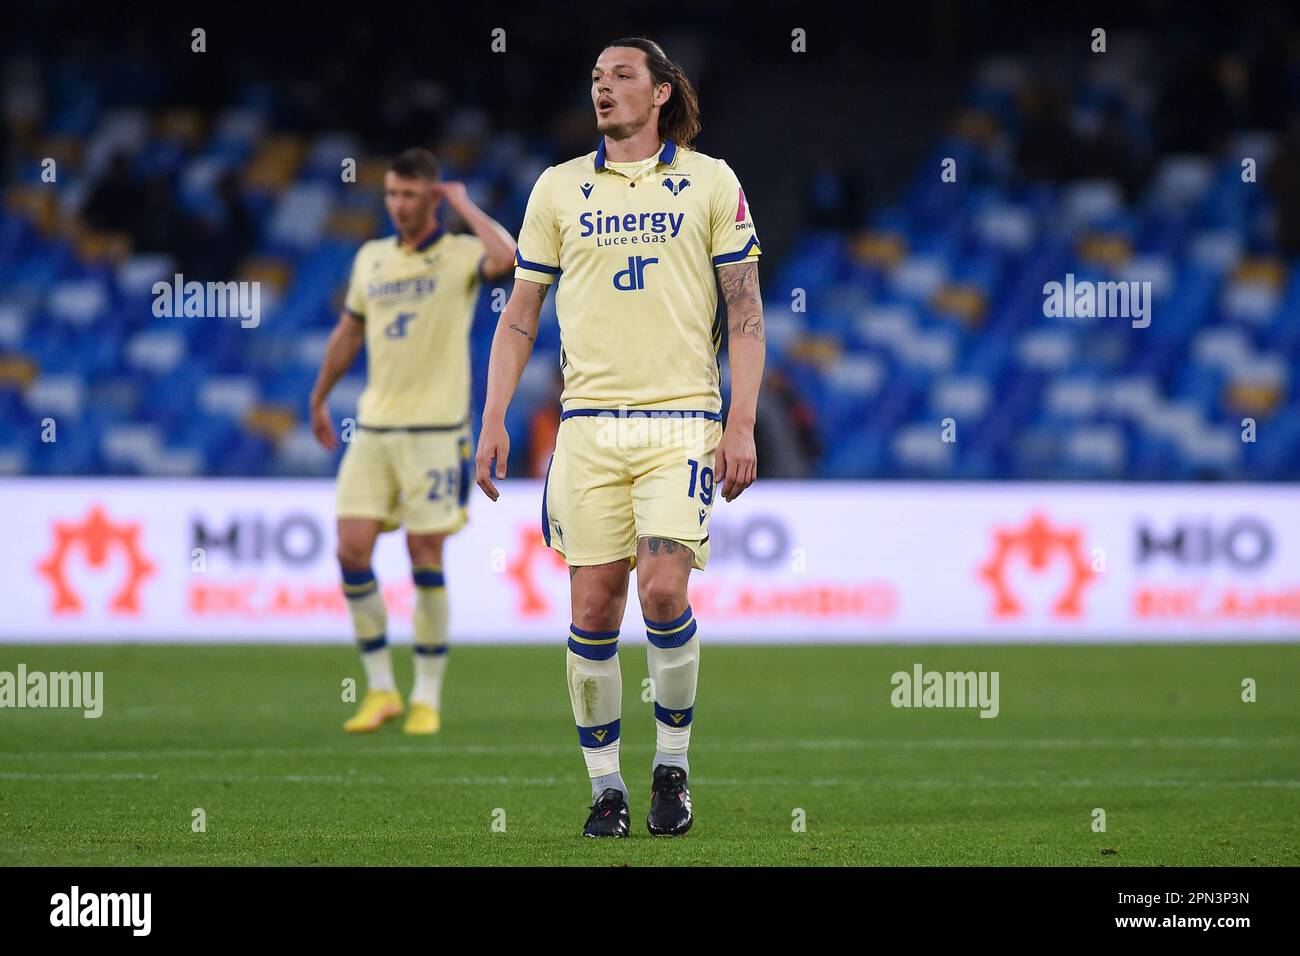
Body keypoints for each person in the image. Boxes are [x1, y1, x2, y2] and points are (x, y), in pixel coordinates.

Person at [474, 38, 766, 837]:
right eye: (597, 79)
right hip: (589, 427)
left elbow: (744, 309)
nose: (604, 89)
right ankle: (607, 788)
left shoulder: (711, 180)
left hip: (680, 421)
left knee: (664, 591)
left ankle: (672, 768)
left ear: (663, 91)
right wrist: (494, 414)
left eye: (623, 76)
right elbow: (520, 315)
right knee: (595, 609)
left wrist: (739, 420)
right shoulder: (557, 188)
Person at [310, 148, 516, 734]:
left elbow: (508, 257)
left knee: (424, 556)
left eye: (410, 195)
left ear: (431, 197)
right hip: (373, 431)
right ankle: (381, 690)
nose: (398, 205)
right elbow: (349, 333)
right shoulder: (371, 258)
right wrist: (320, 396)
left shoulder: (458, 256)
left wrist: (464, 205)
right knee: (351, 550)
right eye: (392, 195)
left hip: (435, 434)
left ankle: (427, 695)